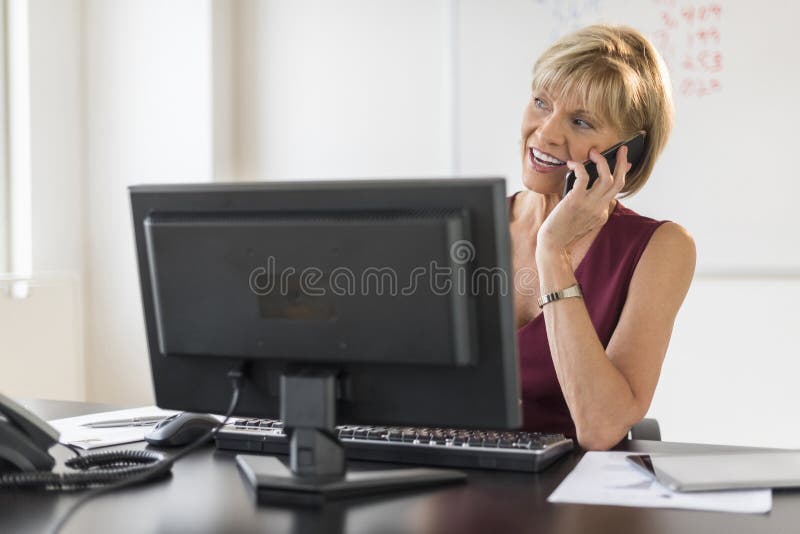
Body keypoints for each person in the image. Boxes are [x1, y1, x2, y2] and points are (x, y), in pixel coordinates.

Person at [510, 24, 695, 450]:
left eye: (580, 121)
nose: (546, 133)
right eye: (541, 102)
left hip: (567, 490)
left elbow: (600, 428)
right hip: (446, 477)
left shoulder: (660, 249)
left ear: (629, 152)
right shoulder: (462, 224)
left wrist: (552, 252)